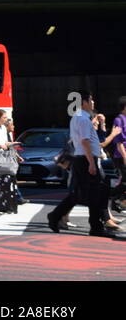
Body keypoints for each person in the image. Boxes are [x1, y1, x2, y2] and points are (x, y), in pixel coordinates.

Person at [49, 91, 114, 237]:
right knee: (96, 192)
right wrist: (92, 163)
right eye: (91, 100)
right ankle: (96, 227)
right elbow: (85, 141)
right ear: (84, 102)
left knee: (81, 194)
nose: (93, 102)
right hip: (86, 159)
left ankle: (56, 215)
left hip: (81, 159)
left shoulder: (77, 117)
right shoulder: (83, 119)